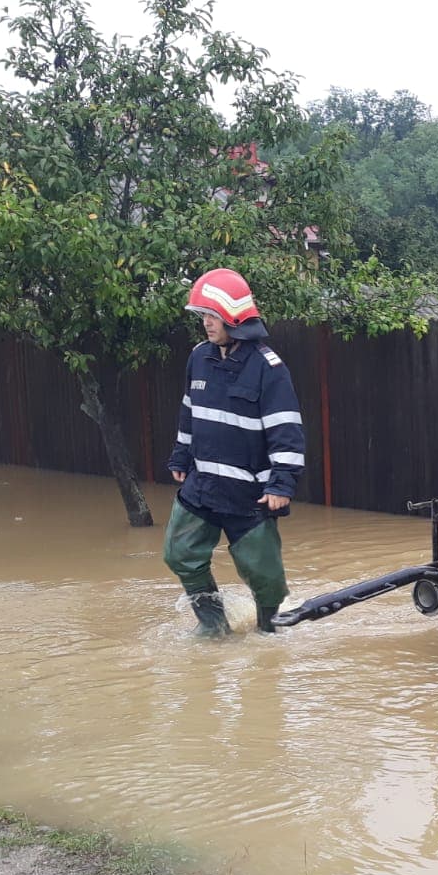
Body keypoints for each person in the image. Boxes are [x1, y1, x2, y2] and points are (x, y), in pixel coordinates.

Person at [163, 268, 305, 636]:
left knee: (265, 578)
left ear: (235, 318)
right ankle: (214, 629)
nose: (206, 324)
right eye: (204, 316)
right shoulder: (199, 356)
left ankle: (269, 634)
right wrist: (181, 455)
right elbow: (188, 411)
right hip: (202, 485)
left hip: (248, 495)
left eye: (212, 316)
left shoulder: (268, 368)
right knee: (180, 554)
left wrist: (281, 484)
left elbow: (286, 429)